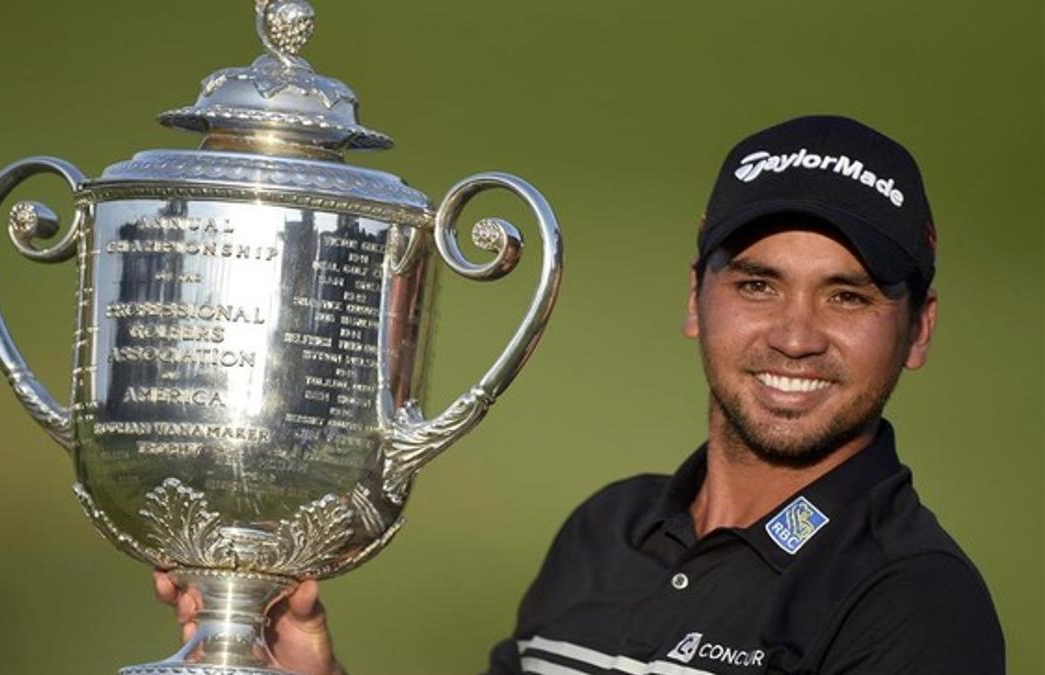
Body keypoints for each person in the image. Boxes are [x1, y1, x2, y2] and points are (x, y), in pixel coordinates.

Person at [155, 115, 1005, 674]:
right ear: (696, 299)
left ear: (918, 329)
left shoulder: (917, 605)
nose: (795, 334)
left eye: (848, 297)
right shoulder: (608, 530)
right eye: (757, 284)